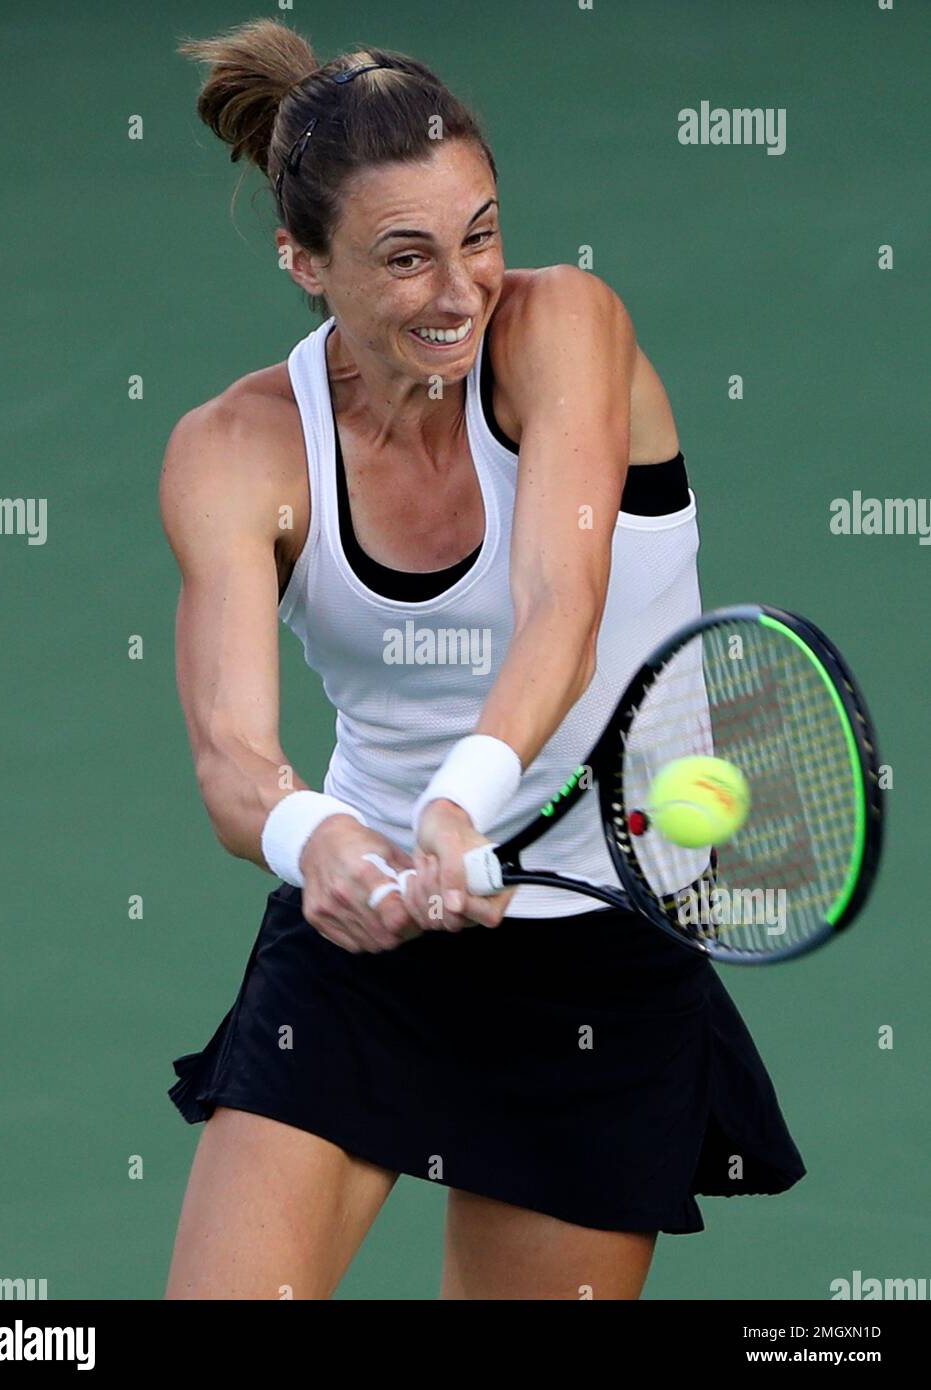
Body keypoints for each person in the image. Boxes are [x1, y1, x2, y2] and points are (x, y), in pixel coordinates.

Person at [162, 19, 805, 1300]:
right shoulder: (236, 449)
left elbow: (561, 600)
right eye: (405, 257)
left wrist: (463, 794)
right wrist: (320, 843)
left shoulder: (567, 325)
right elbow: (235, 760)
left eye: (480, 234)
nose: (460, 292)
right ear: (304, 261)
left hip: (600, 950)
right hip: (365, 951)